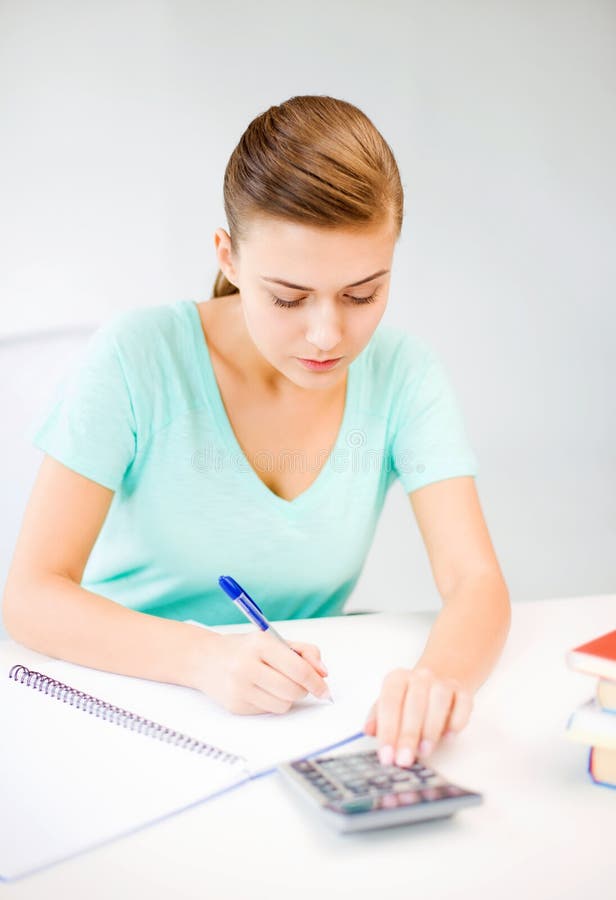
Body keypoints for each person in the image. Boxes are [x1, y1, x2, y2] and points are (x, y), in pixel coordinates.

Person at [2, 95, 510, 770]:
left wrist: (437, 681)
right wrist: (203, 658)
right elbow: (31, 596)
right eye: (289, 297)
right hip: (116, 703)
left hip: (284, 725)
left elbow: (476, 579)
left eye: (362, 294)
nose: (328, 335)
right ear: (229, 258)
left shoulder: (405, 376)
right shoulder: (135, 357)